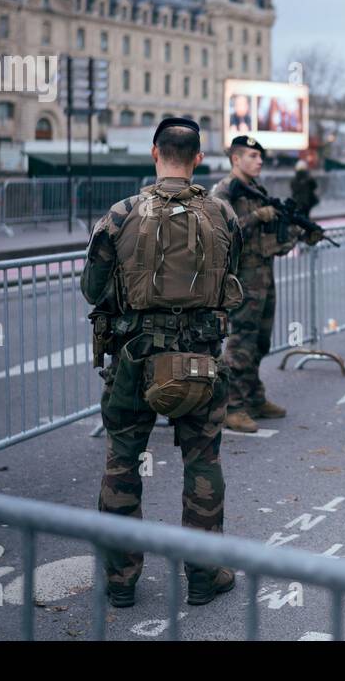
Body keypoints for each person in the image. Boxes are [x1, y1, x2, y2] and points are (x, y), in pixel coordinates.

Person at [82, 117, 244, 608]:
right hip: (198, 357)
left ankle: (121, 580)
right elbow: (229, 281)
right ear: (197, 157)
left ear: (155, 153)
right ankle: (202, 573)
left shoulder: (121, 214)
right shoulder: (221, 213)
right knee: (203, 459)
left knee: (122, 461)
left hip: (134, 358)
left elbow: (93, 288)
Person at [213, 135, 321, 433]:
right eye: (252, 155)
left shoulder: (256, 189)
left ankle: (253, 397)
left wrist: (299, 233)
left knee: (260, 339)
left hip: (262, 272)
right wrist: (254, 217)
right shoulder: (225, 190)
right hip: (242, 276)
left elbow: (270, 236)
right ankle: (231, 406)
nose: (259, 160)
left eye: (260, 156)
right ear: (236, 159)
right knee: (241, 340)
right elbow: (221, 231)